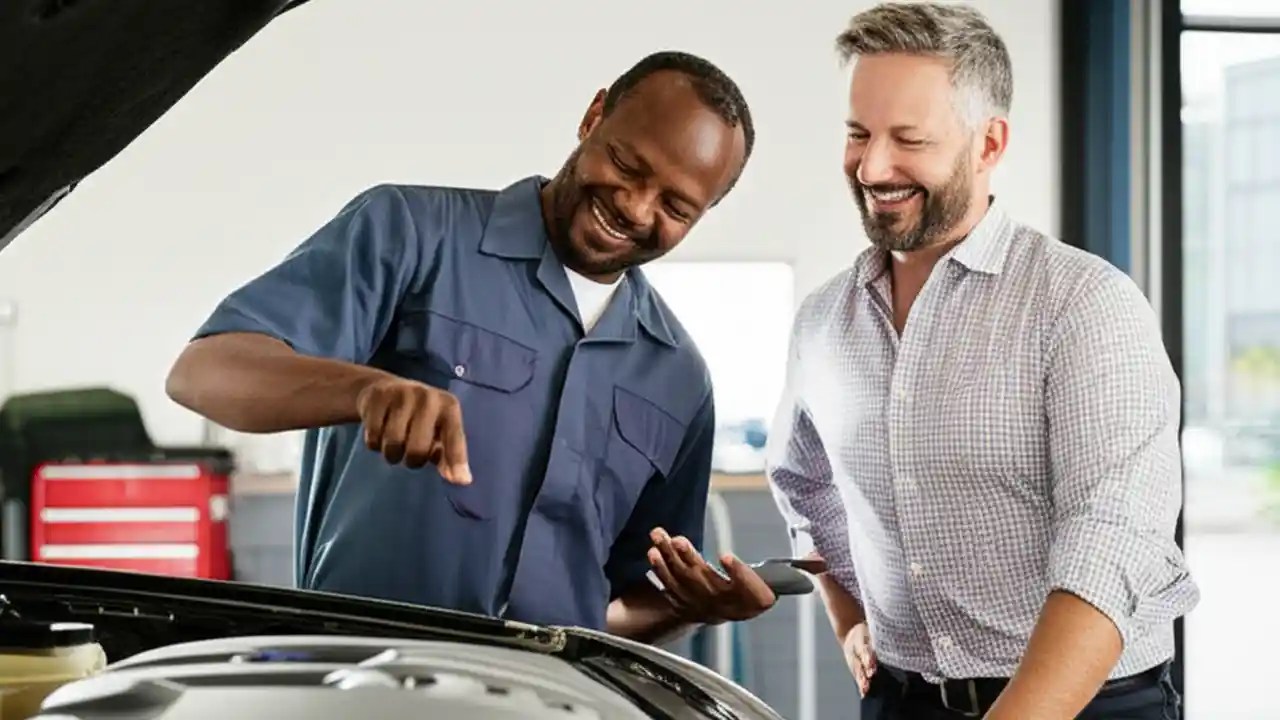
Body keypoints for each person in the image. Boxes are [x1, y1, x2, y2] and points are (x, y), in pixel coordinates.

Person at [166, 50, 778, 643]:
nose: (636, 207)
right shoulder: (409, 231)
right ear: (594, 117)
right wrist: (366, 389)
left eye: (676, 206)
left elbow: (613, 613)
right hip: (364, 684)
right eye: (627, 164)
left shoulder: (679, 379)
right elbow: (203, 372)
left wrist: (699, 608)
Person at [765, 3, 1199, 719]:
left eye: (909, 139)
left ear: (988, 142)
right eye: (858, 135)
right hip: (902, 701)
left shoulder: (1084, 304)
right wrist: (850, 619)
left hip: (1088, 705)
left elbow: (1114, 540)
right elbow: (803, 484)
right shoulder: (822, 321)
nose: (873, 167)